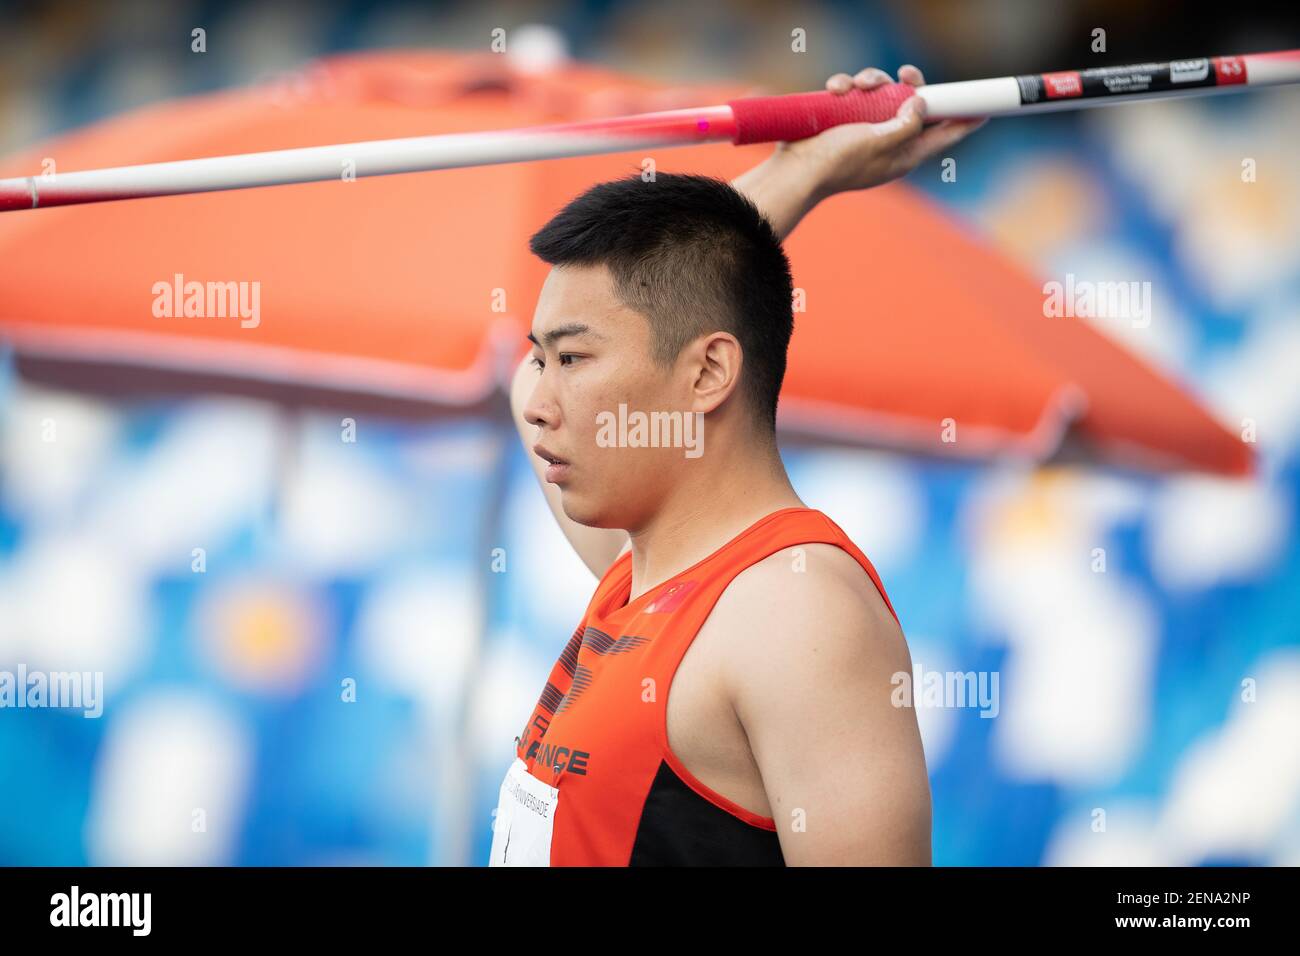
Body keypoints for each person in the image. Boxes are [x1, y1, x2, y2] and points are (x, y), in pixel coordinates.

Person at [489, 66, 985, 866]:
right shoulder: (640, 570)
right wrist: (802, 170)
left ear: (708, 375)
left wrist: (746, 231)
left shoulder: (793, 615)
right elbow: (530, 387)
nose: (541, 399)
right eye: (539, 358)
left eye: (573, 358)